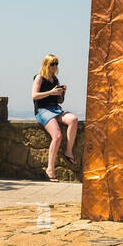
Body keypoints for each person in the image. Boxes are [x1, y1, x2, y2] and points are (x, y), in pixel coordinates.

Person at [32, 54, 77, 182]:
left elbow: (60, 101)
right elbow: (34, 96)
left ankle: (68, 151)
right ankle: (50, 169)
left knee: (73, 119)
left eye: (56, 63)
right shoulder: (39, 78)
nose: (54, 66)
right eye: (52, 64)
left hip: (55, 109)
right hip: (42, 110)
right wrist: (50, 92)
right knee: (57, 136)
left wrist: (62, 93)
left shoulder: (55, 80)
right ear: (46, 64)